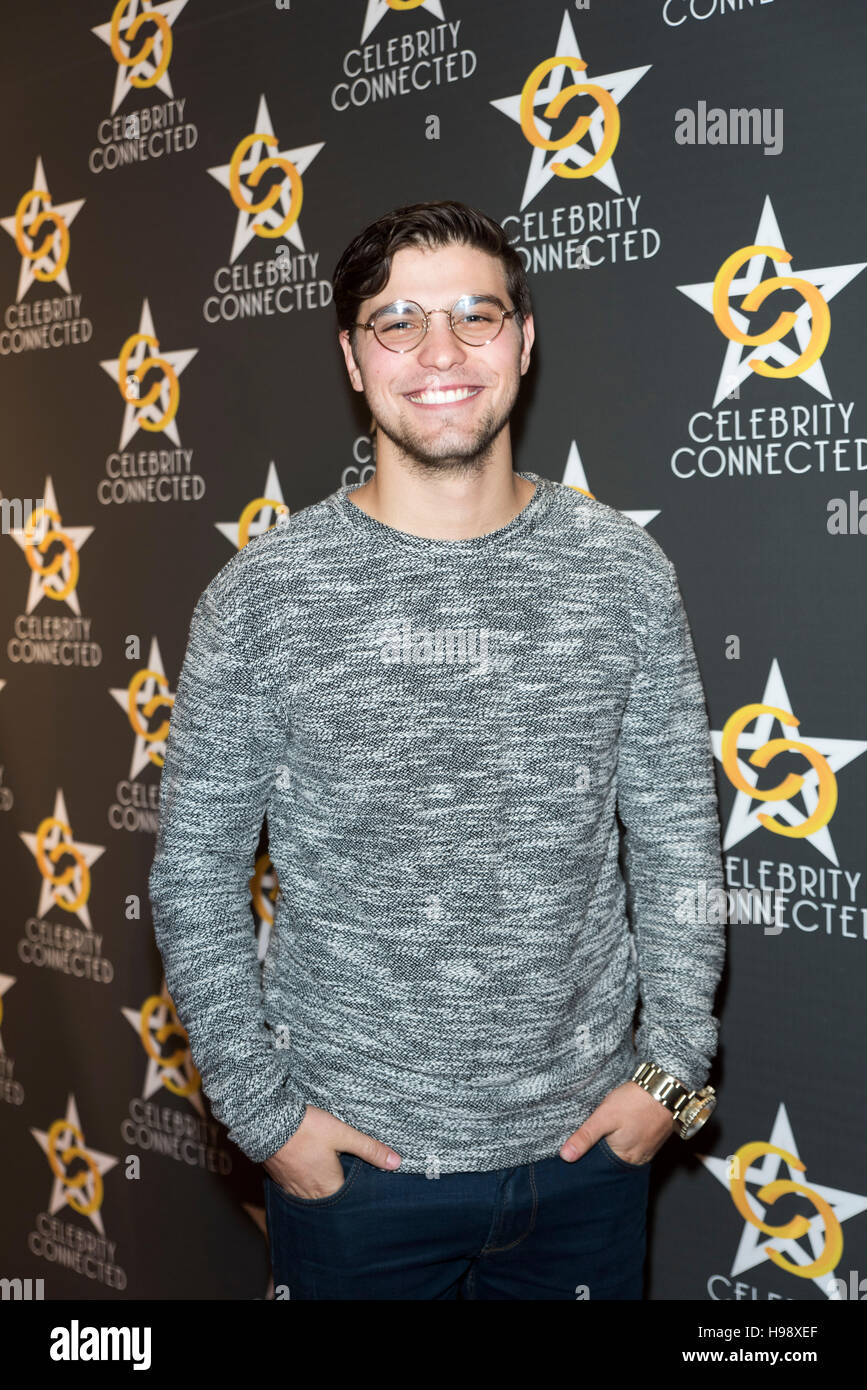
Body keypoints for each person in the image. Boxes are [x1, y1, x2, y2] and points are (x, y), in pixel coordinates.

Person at [148, 200, 726, 1300]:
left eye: (476, 315)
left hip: (589, 1158)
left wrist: (672, 1078)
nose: (442, 352)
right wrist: (265, 1118)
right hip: (354, 1172)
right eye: (398, 322)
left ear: (524, 340)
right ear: (353, 358)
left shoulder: (622, 574)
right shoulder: (264, 599)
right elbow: (194, 876)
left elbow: (678, 847)